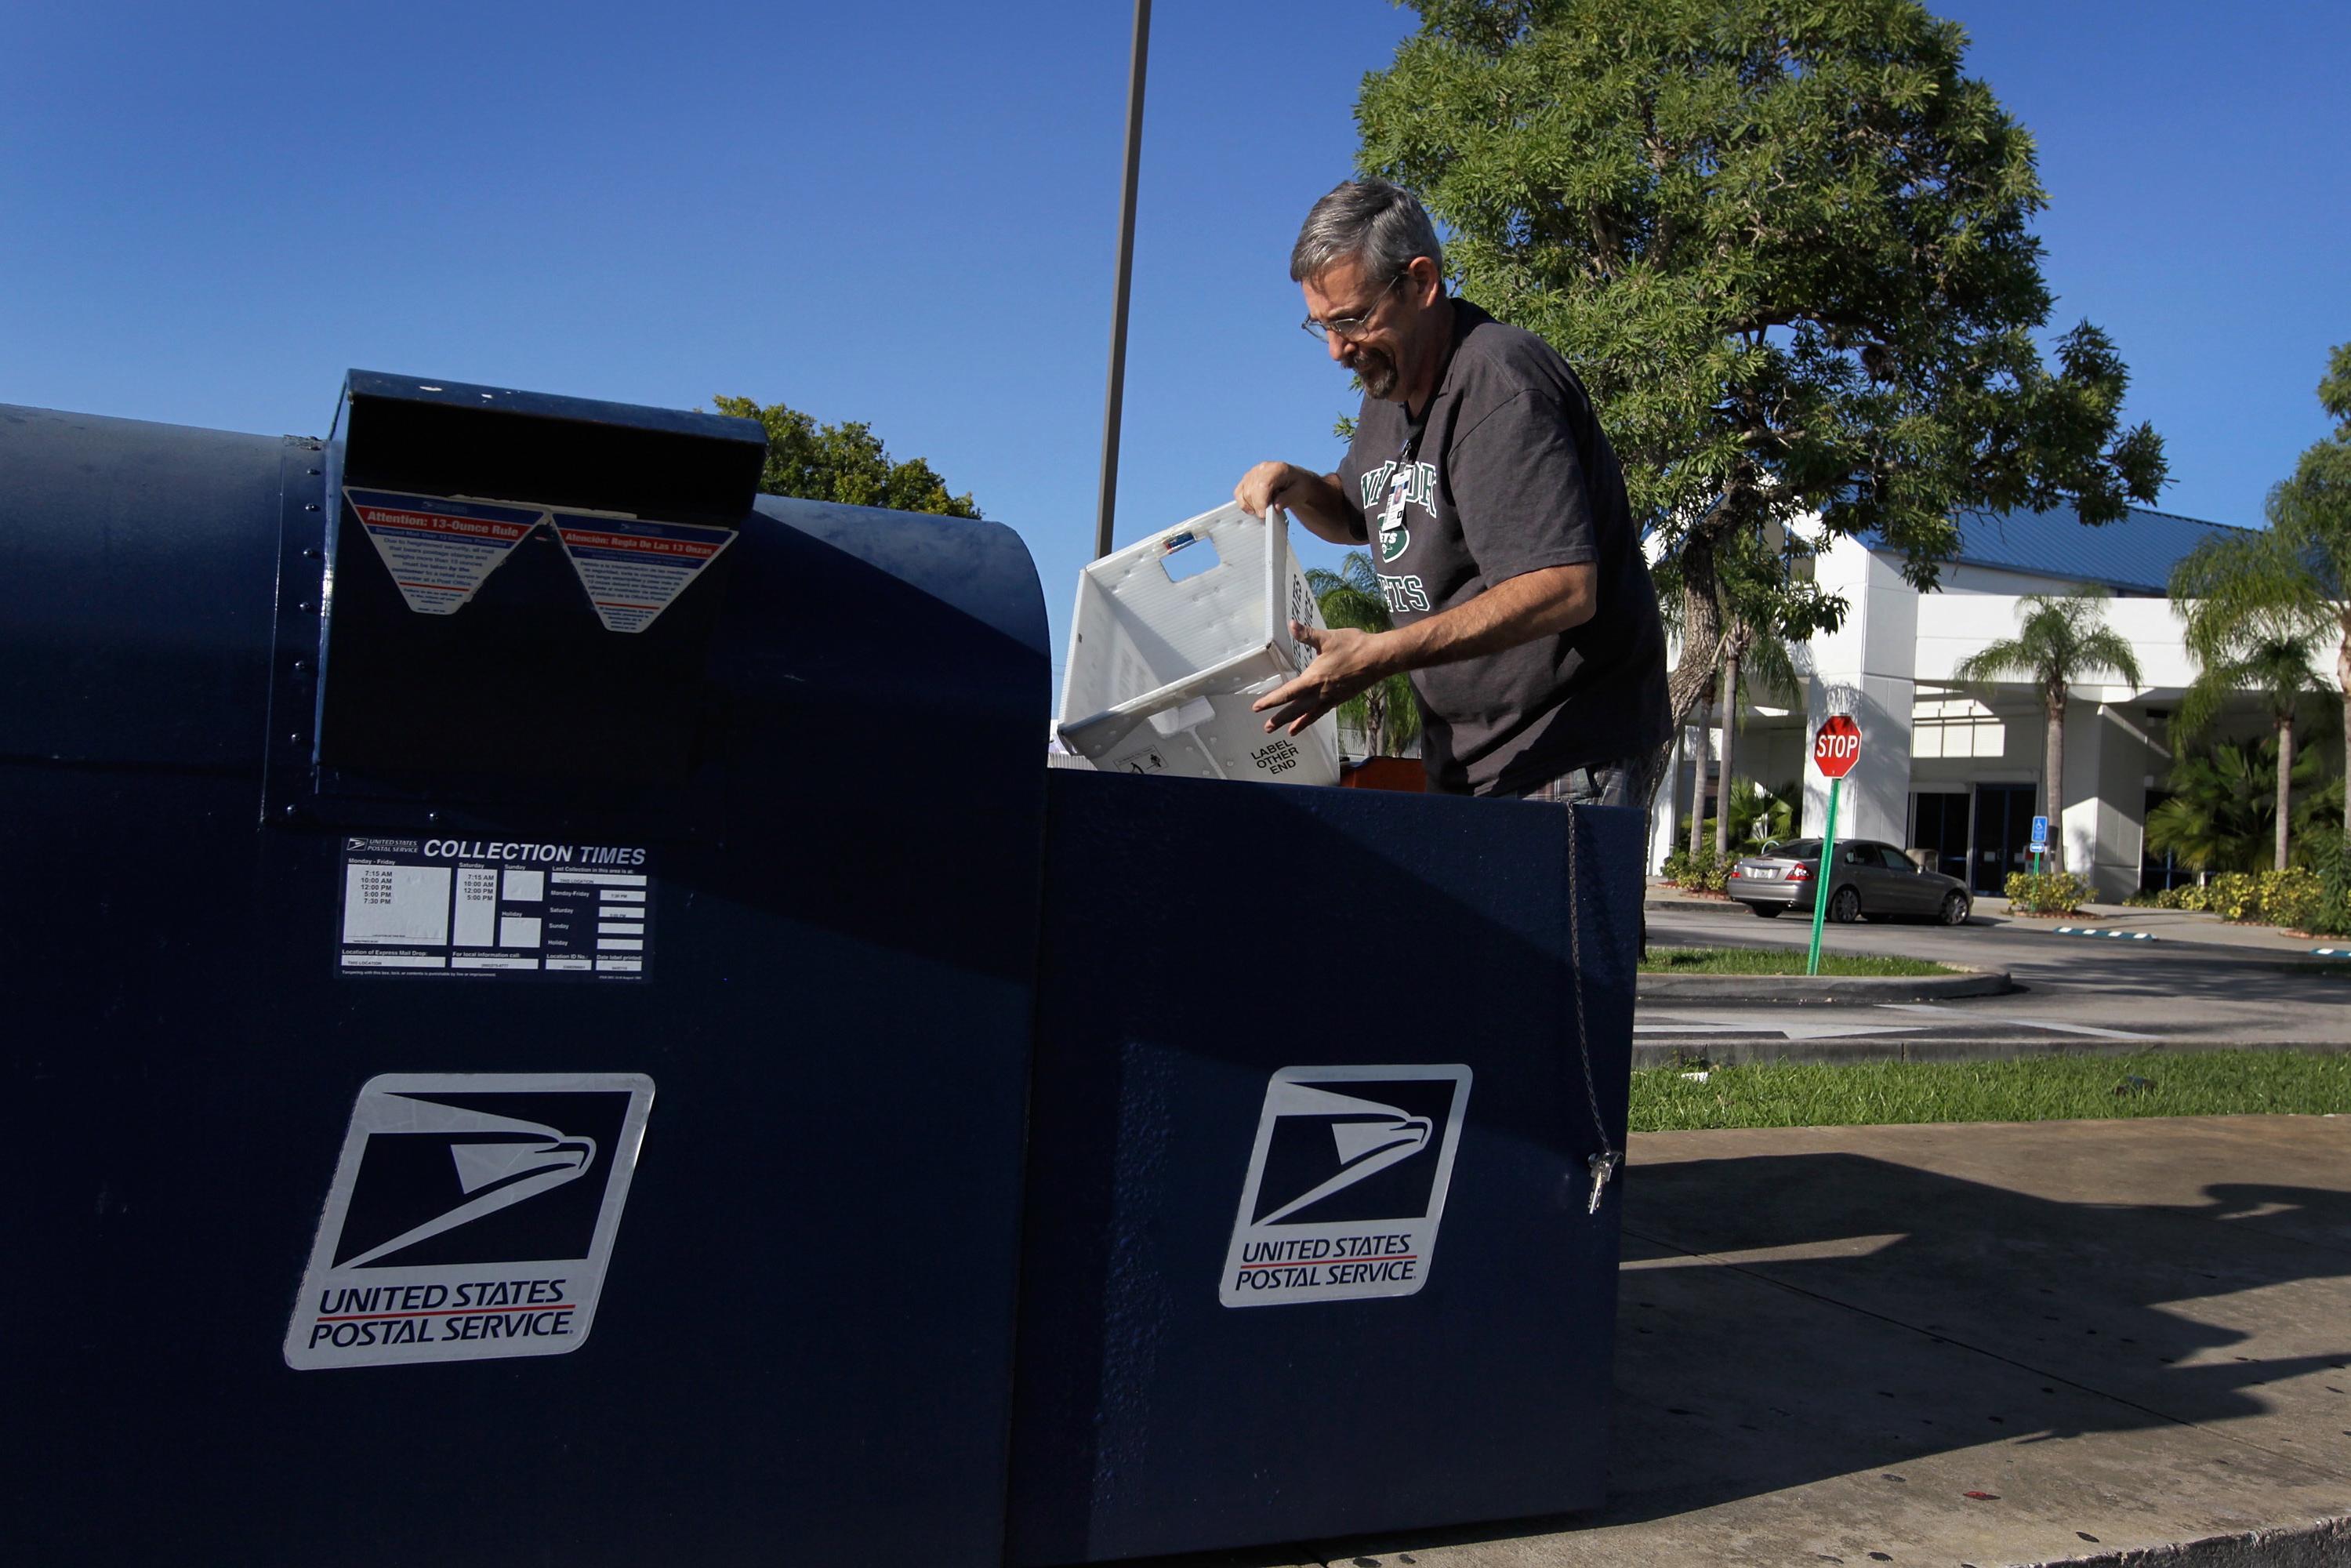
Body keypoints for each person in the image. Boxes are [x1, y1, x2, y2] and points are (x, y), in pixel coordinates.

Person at [1235, 179, 1669, 807]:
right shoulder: (1389, 392)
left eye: (1352, 320)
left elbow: (1562, 590)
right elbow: (1359, 516)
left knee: (1548, 913)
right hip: (1466, 760)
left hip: (1562, 751)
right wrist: (1301, 487)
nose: (1336, 351)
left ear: (1420, 282)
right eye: (1321, 326)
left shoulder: (1500, 385)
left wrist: (1381, 655)